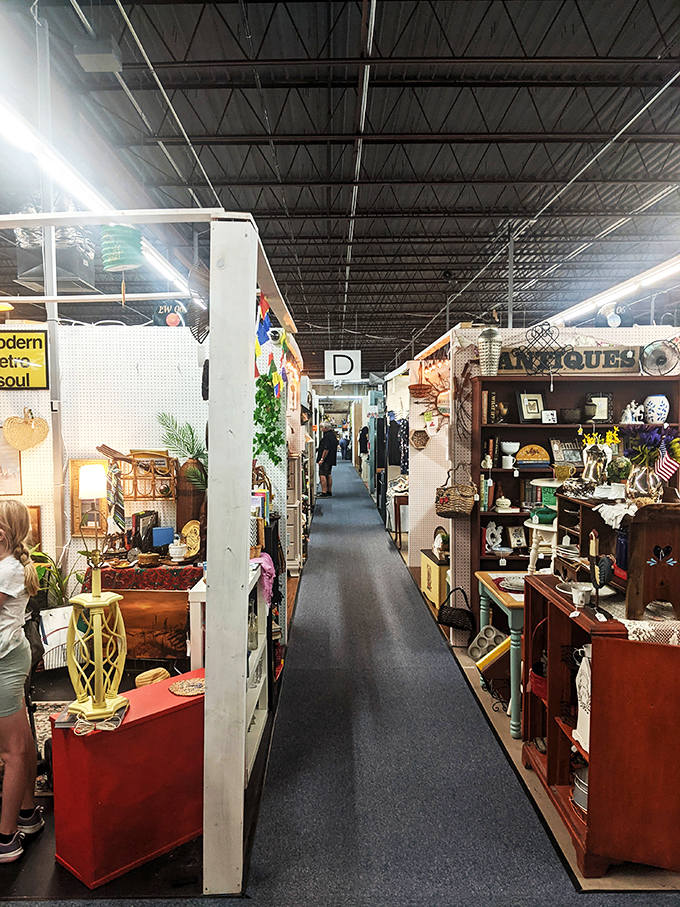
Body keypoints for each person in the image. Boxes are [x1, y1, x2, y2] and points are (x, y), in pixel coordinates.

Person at [0, 501, 44, 863]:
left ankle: (5, 838)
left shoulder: (8, 569)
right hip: (11, 656)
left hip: (4, 663)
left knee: (10, 752)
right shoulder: (9, 565)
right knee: (22, 742)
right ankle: (27, 814)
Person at [317, 423, 338, 497]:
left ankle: (324, 492)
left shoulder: (327, 436)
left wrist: (322, 459)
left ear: (325, 427)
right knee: (328, 474)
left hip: (326, 459)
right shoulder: (333, 435)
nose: (321, 429)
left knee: (322, 474)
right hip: (331, 458)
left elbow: (326, 449)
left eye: (321, 427)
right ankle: (329, 491)